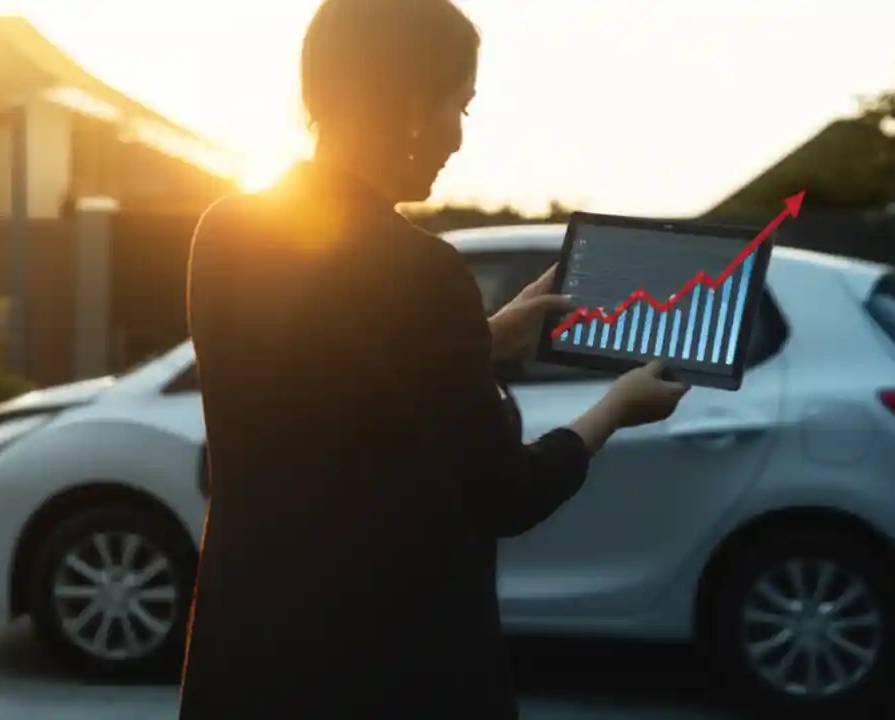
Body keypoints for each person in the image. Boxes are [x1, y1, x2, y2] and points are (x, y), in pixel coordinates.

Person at [176, 0, 690, 718]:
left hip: (248, 662)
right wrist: (613, 409)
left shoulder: (225, 232)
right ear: (414, 106)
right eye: (462, 107)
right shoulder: (419, 271)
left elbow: (330, 389)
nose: (458, 137)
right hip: (390, 672)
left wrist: (485, 336)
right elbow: (505, 494)